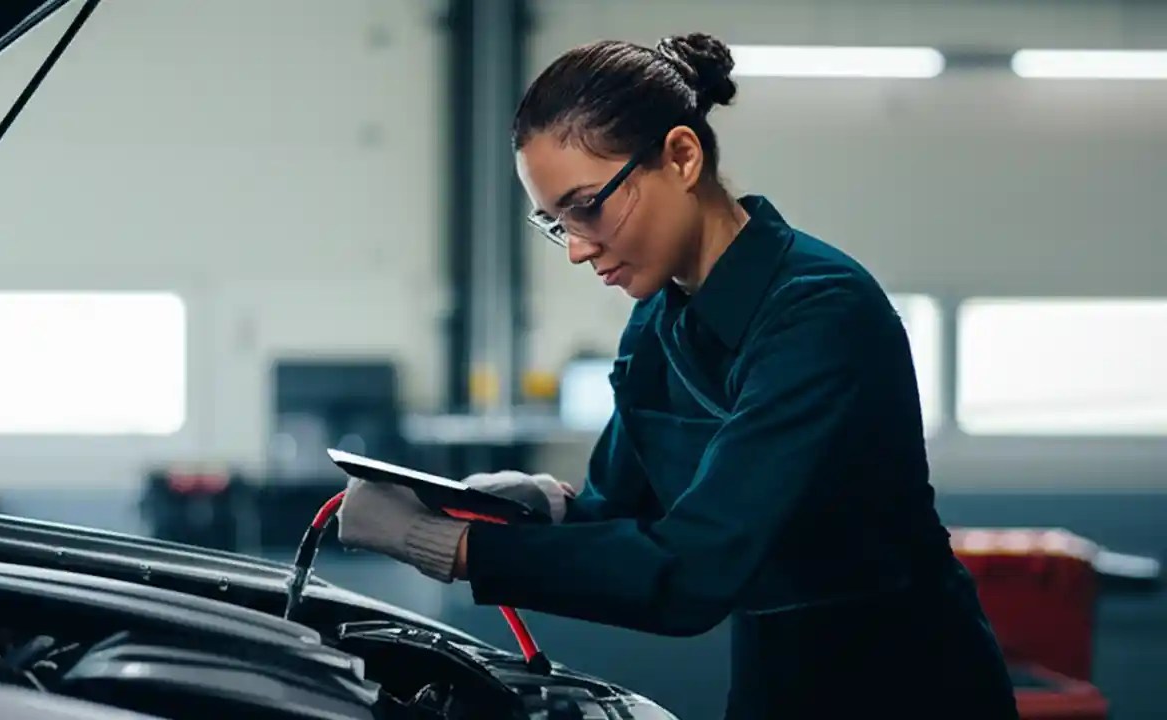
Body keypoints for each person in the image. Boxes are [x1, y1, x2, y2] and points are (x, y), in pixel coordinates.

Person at [337, 32, 1020, 719]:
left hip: (907, 682)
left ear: (682, 157)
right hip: (774, 674)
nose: (575, 248)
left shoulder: (820, 313)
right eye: (554, 223)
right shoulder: (658, 322)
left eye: (587, 206)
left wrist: (444, 545)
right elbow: (616, 511)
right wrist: (523, 506)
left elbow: (692, 569)